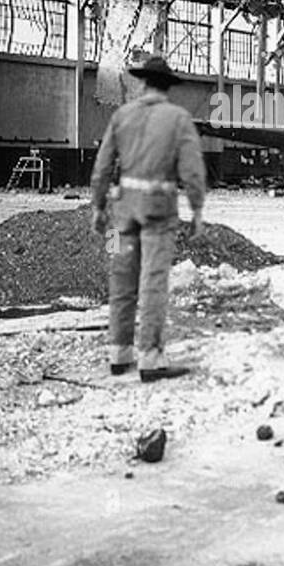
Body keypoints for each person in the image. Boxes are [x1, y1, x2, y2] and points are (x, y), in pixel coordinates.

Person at [90, 55, 207, 382]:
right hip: (159, 211)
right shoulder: (178, 118)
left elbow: (102, 167)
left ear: (141, 83)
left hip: (121, 213)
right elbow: (193, 171)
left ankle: (119, 354)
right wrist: (197, 210)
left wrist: (97, 207)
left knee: (121, 278)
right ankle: (151, 360)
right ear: (168, 87)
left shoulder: (121, 115)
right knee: (153, 282)